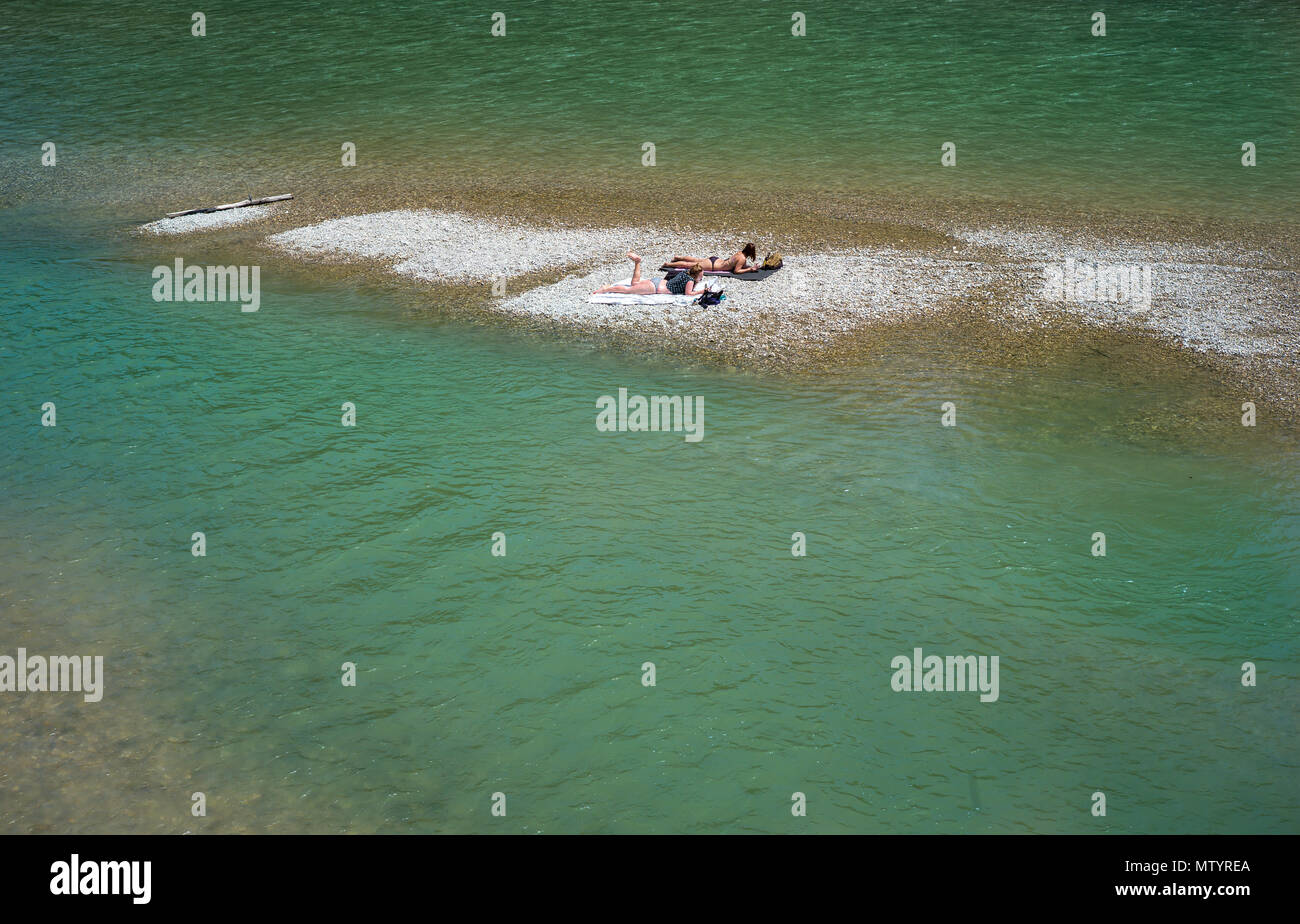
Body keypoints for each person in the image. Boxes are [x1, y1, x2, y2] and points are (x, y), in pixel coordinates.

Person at [594, 252, 706, 296]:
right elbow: (688, 293)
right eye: (701, 274)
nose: (703, 276)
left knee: (634, 283)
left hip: (658, 281)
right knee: (628, 290)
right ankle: (605, 289)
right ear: (696, 275)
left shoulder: (686, 273)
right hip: (655, 287)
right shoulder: (690, 281)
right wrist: (702, 291)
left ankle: (638, 262)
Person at [663, 242, 760, 274]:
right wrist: (750, 269)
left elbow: (738, 263)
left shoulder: (740, 253)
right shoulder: (742, 258)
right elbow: (736, 271)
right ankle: (668, 264)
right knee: (689, 265)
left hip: (716, 260)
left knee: (695, 259)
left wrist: (747, 266)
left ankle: (678, 257)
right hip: (713, 265)